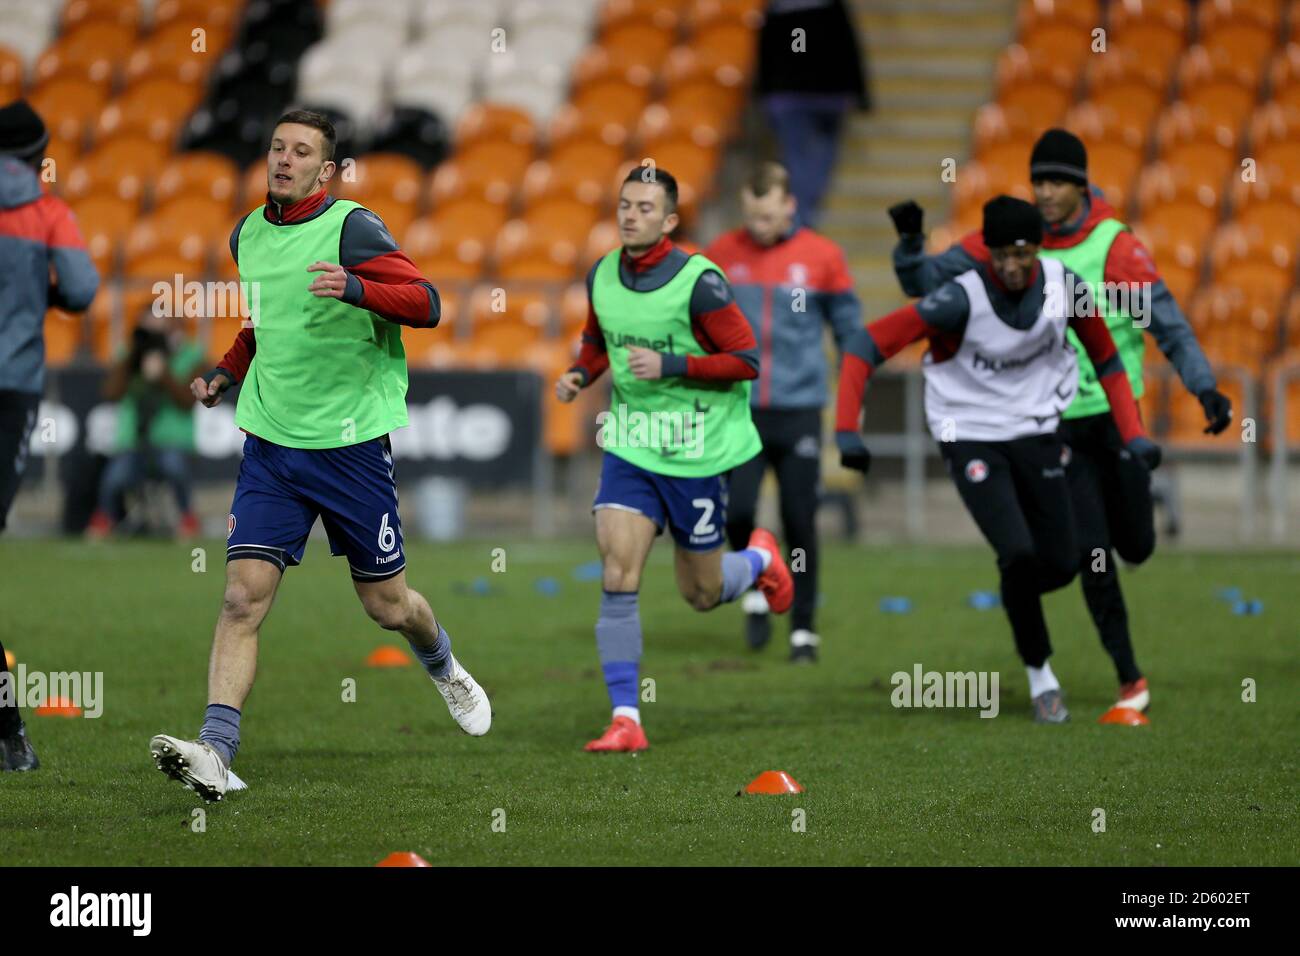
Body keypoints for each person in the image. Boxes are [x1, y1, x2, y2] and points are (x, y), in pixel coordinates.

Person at [150, 110, 490, 803]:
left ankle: (444, 663)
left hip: (349, 447)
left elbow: (426, 304)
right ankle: (215, 752)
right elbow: (264, 325)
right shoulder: (246, 233)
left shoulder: (353, 228)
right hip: (272, 445)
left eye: (301, 151)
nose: (284, 158)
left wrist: (357, 287)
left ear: (326, 171)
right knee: (242, 598)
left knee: (388, 606)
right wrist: (225, 370)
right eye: (277, 146)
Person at [887, 128, 1233, 715]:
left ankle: (1034, 581)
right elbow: (925, 284)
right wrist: (911, 247)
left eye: (1056, 181)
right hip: (1050, 425)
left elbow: (1166, 323)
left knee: (1137, 545)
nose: (1045, 192)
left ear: (1081, 185)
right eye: (1038, 180)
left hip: (1114, 421)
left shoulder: (1111, 248)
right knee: (1093, 554)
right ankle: (1128, 676)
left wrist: (1204, 387)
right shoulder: (1009, 238)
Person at [837, 196, 1161, 722]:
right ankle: (1042, 678)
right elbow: (864, 343)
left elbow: (1106, 358)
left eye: (1021, 255)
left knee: (1061, 562)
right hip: (968, 434)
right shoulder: (959, 300)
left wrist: (1134, 435)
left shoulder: (1065, 288)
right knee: (1016, 551)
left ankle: (1018, 595)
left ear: (1037, 249)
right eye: (1000, 256)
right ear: (985, 252)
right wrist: (848, 429)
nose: (1011, 267)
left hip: (1035, 433)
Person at [555, 166, 795, 752]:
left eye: (644, 207)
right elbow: (597, 337)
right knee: (618, 574)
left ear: (668, 220)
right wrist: (581, 372)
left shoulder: (700, 283)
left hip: (695, 450)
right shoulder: (603, 273)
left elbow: (746, 359)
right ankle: (626, 718)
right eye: (624, 205)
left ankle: (759, 557)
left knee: (702, 595)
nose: (630, 214)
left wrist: (673, 366)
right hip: (632, 445)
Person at [704, 162, 862, 661]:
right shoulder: (722, 256)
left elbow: (849, 329)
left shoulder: (822, 257)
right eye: (752, 216)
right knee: (741, 510)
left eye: (768, 216)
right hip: (740, 409)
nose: (759, 226)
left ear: (789, 205)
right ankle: (753, 584)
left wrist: (851, 401)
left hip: (799, 408)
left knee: (800, 516)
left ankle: (803, 629)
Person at [0, 99, 100, 772]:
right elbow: (86, 289)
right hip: (11, 392)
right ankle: (9, 734)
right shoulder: (48, 212)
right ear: (39, 156)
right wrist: (48, 294)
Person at [85, 311, 207, 539]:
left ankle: (187, 518)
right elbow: (110, 393)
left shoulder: (191, 356)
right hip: (133, 442)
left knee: (175, 467)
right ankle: (104, 519)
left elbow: (187, 401)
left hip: (172, 441)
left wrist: (164, 373)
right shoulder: (130, 357)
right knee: (115, 477)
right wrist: (134, 356)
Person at [757, 0, 869, 226]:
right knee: (808, 163)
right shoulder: (825, 6)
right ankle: (802, 217)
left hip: (806, 97)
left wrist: (765, 94)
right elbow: (848, 45)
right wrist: (860, 93)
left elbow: (766, 53)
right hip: (817, 97)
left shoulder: (779, 8)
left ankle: (802, 216)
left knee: (803, 162)